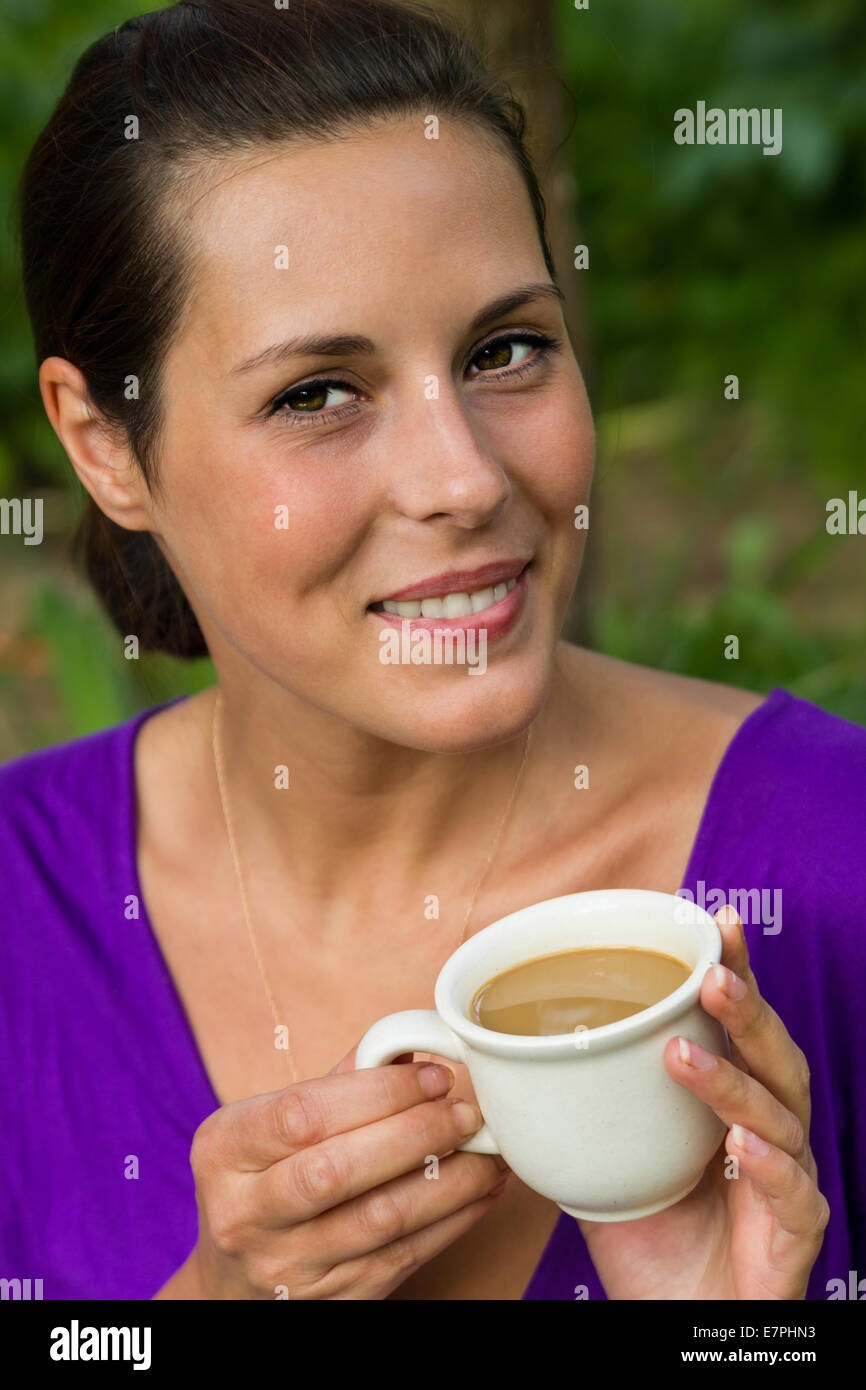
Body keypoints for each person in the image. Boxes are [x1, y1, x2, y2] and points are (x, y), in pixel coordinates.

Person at [2, 0, 862, 1301]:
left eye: (503, 349)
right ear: (105, 444)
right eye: (316, 393)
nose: (461, 479)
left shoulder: (829, 865)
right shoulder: (27, 910)